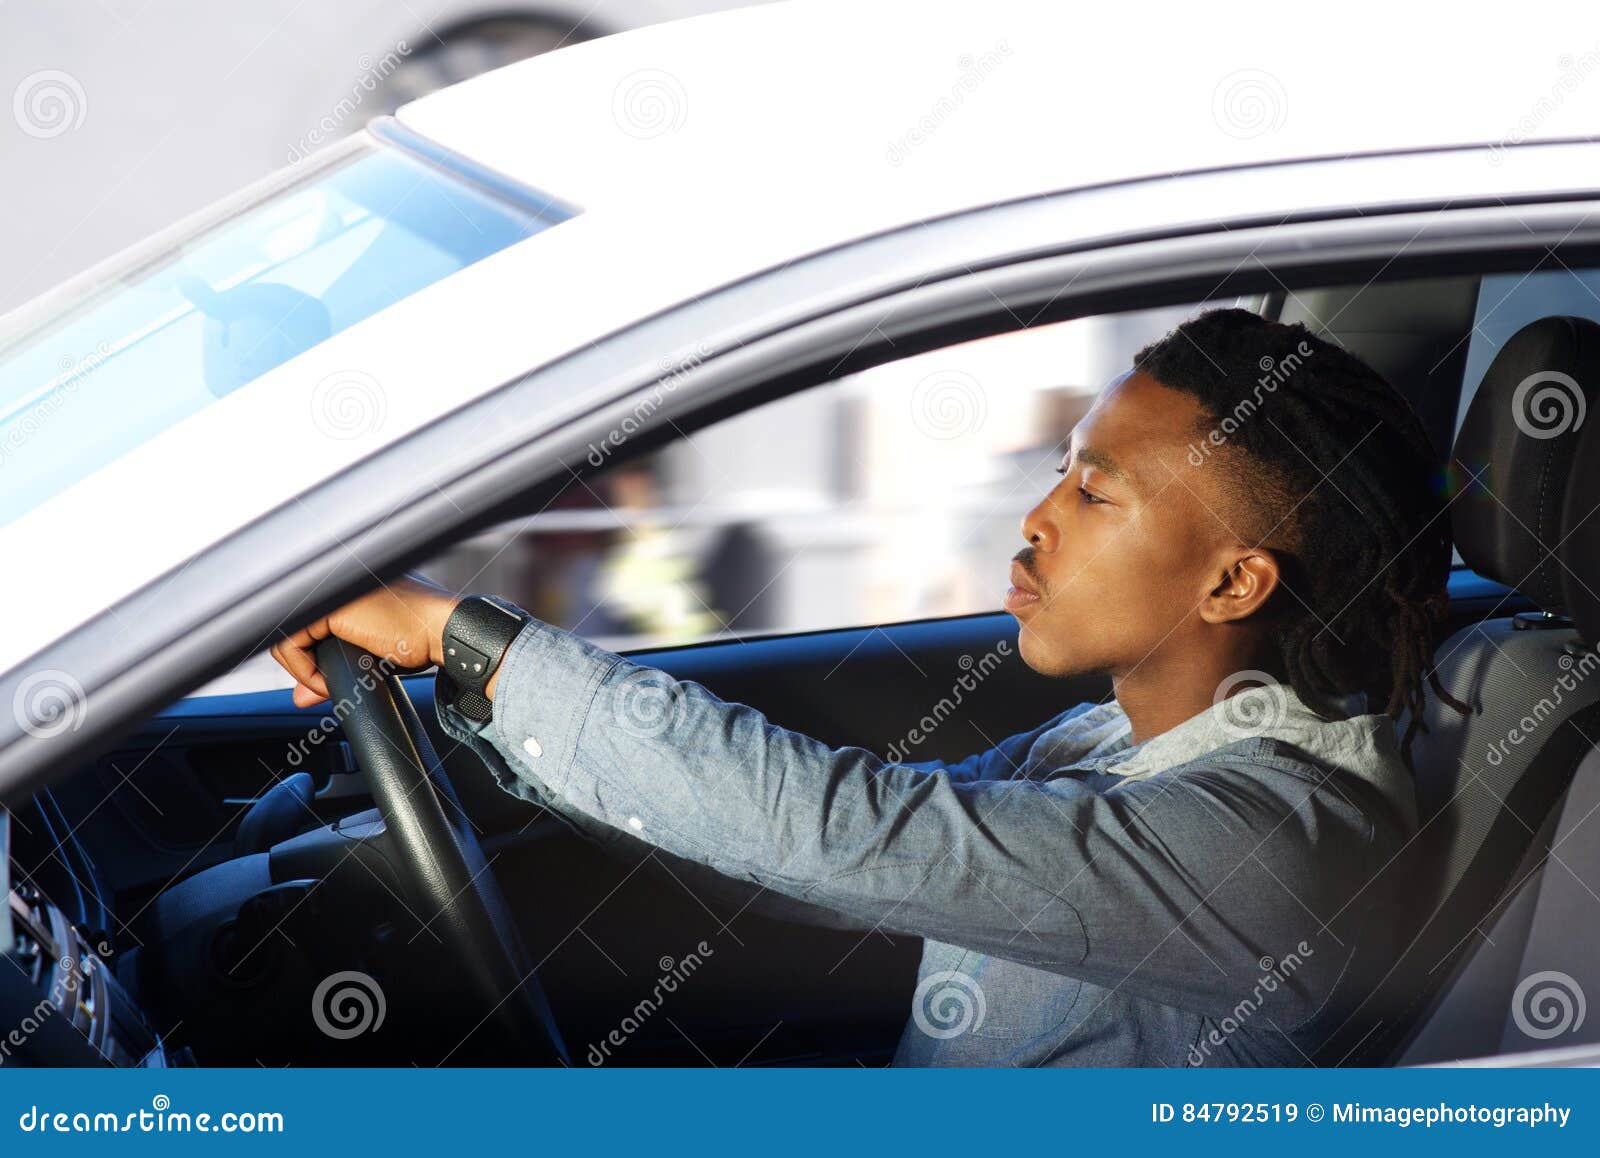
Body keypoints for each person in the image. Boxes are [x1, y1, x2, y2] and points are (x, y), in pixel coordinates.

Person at [269, 308, 1469, 1066]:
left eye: (1094, 495)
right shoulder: (1118, 742)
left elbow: (848, 835)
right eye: (1058, 476)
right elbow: (850, 864)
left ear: (1232, 583)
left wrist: (464, 637)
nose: (1037, 521)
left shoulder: (1266, 843)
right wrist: (488, 732)